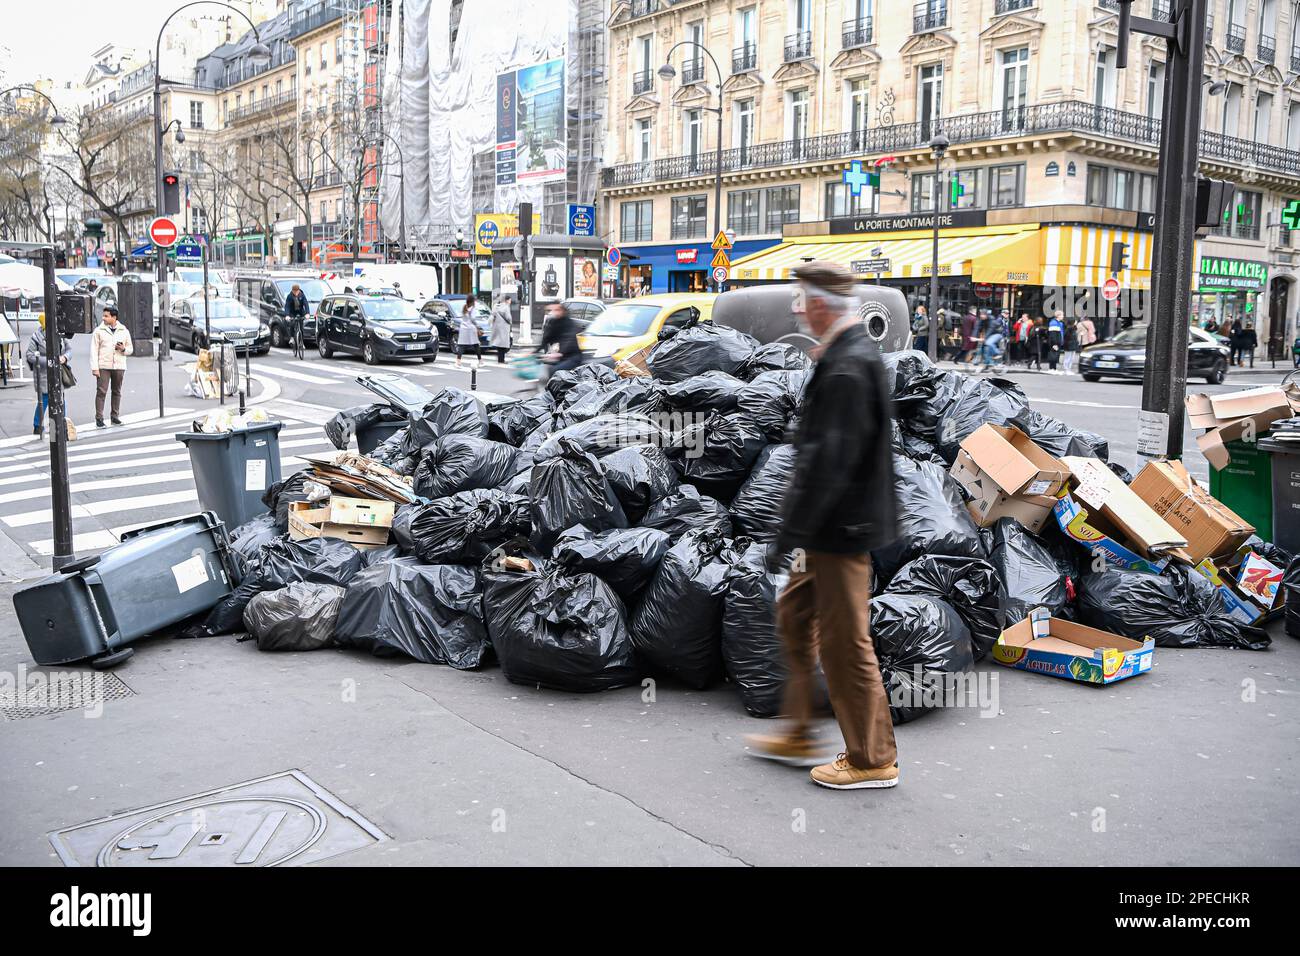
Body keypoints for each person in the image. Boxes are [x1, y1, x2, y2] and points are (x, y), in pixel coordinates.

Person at [746, 261, 900, 790]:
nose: (799, 314)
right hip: (830, 527)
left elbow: (828, 468)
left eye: (802, 305)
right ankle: (799, 728)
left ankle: (871, 758)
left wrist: (787, 537)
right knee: (794, 614)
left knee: (844, 643)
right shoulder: (846, 354)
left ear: (819, 306)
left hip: (839, 531)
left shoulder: (844, 368)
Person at [24, 312, 70, 437]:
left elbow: (69, 349)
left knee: (61, 398)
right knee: (44, 399)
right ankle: (37, 425)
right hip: (44, 372)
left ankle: (62, 424)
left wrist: (64, 357)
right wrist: (49, 360)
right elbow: (30, 355)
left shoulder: (60, 334)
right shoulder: (36, 336)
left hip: (58, 371)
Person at [90, 304, 132, 427]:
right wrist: (94, 368)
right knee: (101, 392)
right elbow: (94, 350)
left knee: (117, 391)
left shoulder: (124, 330)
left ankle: (115, 416)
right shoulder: (98, 331)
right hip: (103, 365)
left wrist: (123, 349)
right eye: (103, 316)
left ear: (114, 317)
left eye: (106, 316)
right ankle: (99, 418)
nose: (103, 318)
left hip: (119, 366)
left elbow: (130, 349)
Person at [536, 301, 583, 374]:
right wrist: (534, 351)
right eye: (551, 310)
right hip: (562, 357)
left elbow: (569, 338)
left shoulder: (570, 323)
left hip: (573, 356)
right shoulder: (553, 322)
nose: (553, 312)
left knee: (554, 371)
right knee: (546, 368)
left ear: (563, 311)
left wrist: (560, 353)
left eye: (556, 310)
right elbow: (547, 339)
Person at [455, 294, 483, 368]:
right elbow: (473, 319)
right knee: (476, 345)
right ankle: (480, 361)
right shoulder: (473, 308)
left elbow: (463, 316)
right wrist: (478, 326)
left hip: (463, 328)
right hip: (470, 329)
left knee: (461, 346)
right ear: (473, 301)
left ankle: (458, 362)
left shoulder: (464, 307)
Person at [284, 283, 309, 354]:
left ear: (298, 291)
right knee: (292, 323)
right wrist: (287, 315)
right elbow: (287, 306)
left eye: (296, 291)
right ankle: (292, 337)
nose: (295, 293)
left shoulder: (302, 295)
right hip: (292, 312)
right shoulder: (289, 296)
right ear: (292, 291)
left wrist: (307, 313)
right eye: (294, 291)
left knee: (301, 328)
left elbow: (306, 304)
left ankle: (302, 342)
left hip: (300, 312)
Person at [490, 294, 513, 364]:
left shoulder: (495, 306)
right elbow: (508, 318)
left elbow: (492, 315)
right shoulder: (506, 307)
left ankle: (500, 359)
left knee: (499, 344)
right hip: (504, 327)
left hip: (497, 327)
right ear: (507, 300)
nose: (510, 302)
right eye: (510, 300)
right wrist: (510, 322)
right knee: (503, 345)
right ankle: (501, 360)